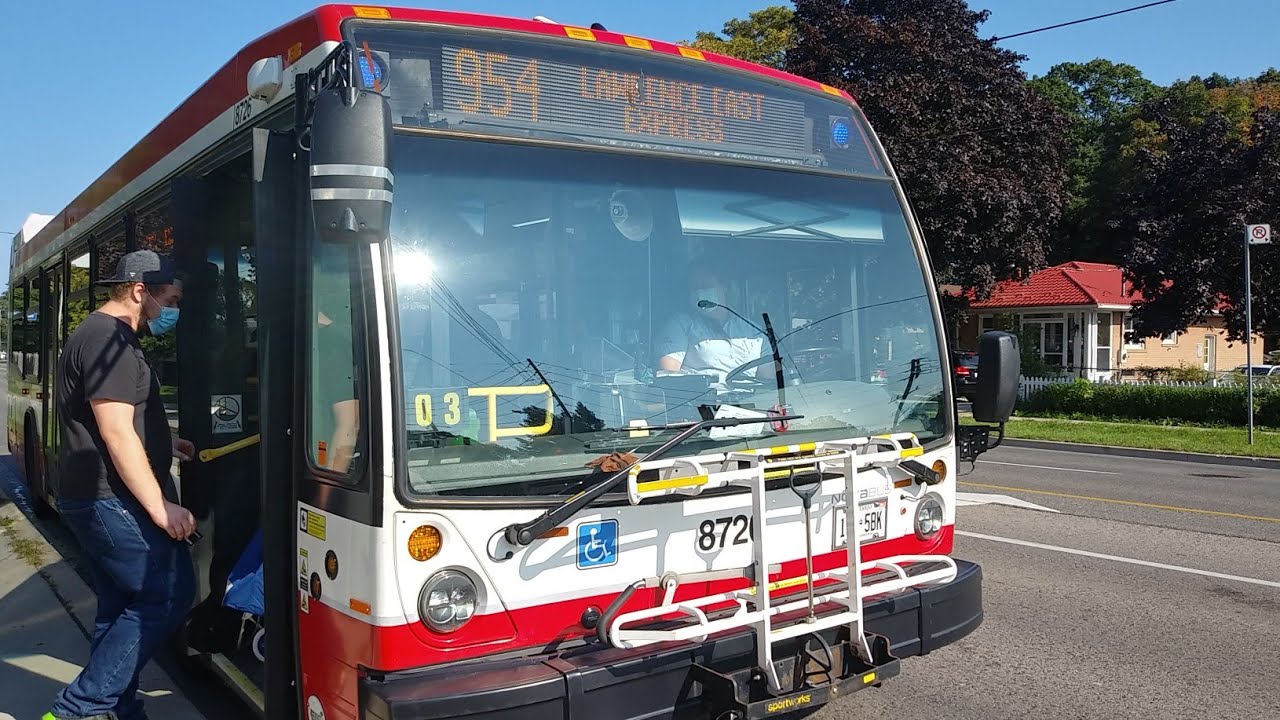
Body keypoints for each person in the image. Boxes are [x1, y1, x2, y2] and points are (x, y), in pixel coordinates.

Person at [46, 249, 196, 720]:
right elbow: (114, 431)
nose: (173, 310)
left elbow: (115, 417)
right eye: (169, 299)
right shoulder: (108, 339)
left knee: (118, 609)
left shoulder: (105, 336)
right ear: (138, 291)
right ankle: (78, 709)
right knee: (168, 592)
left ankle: (119, 709)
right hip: (109, 499)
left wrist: (163, 439)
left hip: (93, 496)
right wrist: (160, 508)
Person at [656, 264, 764, 381]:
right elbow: (668, 377)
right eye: (694, 288)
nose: (699, 292)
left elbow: (770, 384)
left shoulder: (753, 331)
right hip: (702, 398)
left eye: (705, 285)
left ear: (724, 285)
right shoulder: (681, 325)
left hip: (752, 398)